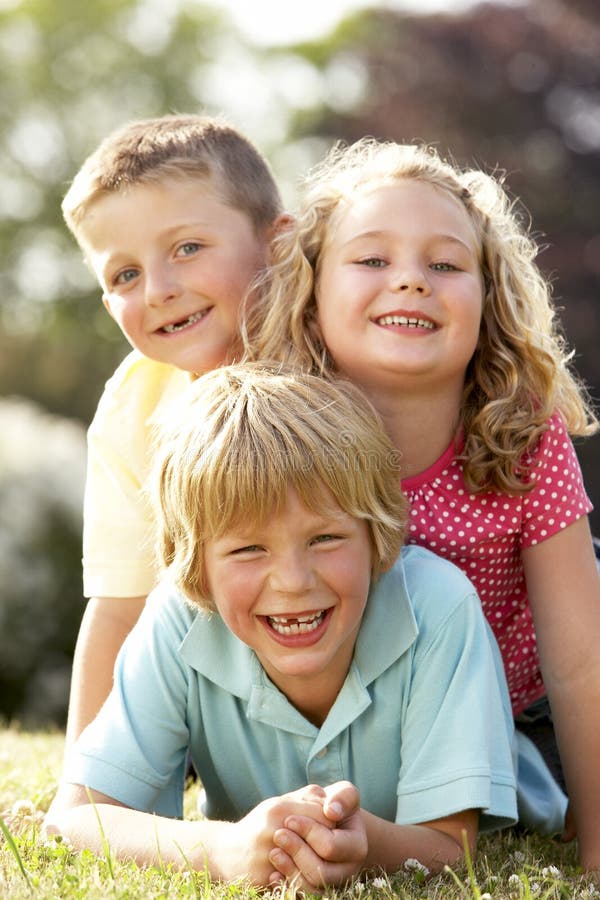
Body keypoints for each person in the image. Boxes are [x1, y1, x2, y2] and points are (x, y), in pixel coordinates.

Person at [244, 138, 600, 870]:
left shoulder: (525, 435)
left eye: (445, 264)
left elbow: (581, 662)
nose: (410, 281)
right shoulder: (277, 438)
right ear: (310, 299)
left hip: (519, 720)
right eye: (372, 260)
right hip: (350, 726)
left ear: (489, 299)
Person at [45, 364, 517, 890]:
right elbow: (74, 820)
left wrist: (364, 845)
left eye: (326, 538)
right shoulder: (178, 622)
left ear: (376, 537)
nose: (292, 582)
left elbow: (452, 846)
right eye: (248, 549)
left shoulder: (437, 608)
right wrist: (222, 849)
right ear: (197, 566)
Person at [60, 113, 287, 749]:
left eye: (187, 248)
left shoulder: (334, 352)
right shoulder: (136, 405)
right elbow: (118, 605)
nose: (158, 289)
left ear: (277, 244)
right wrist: (83, 778)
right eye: (124, 275)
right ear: (109, 304)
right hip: (241, 694)